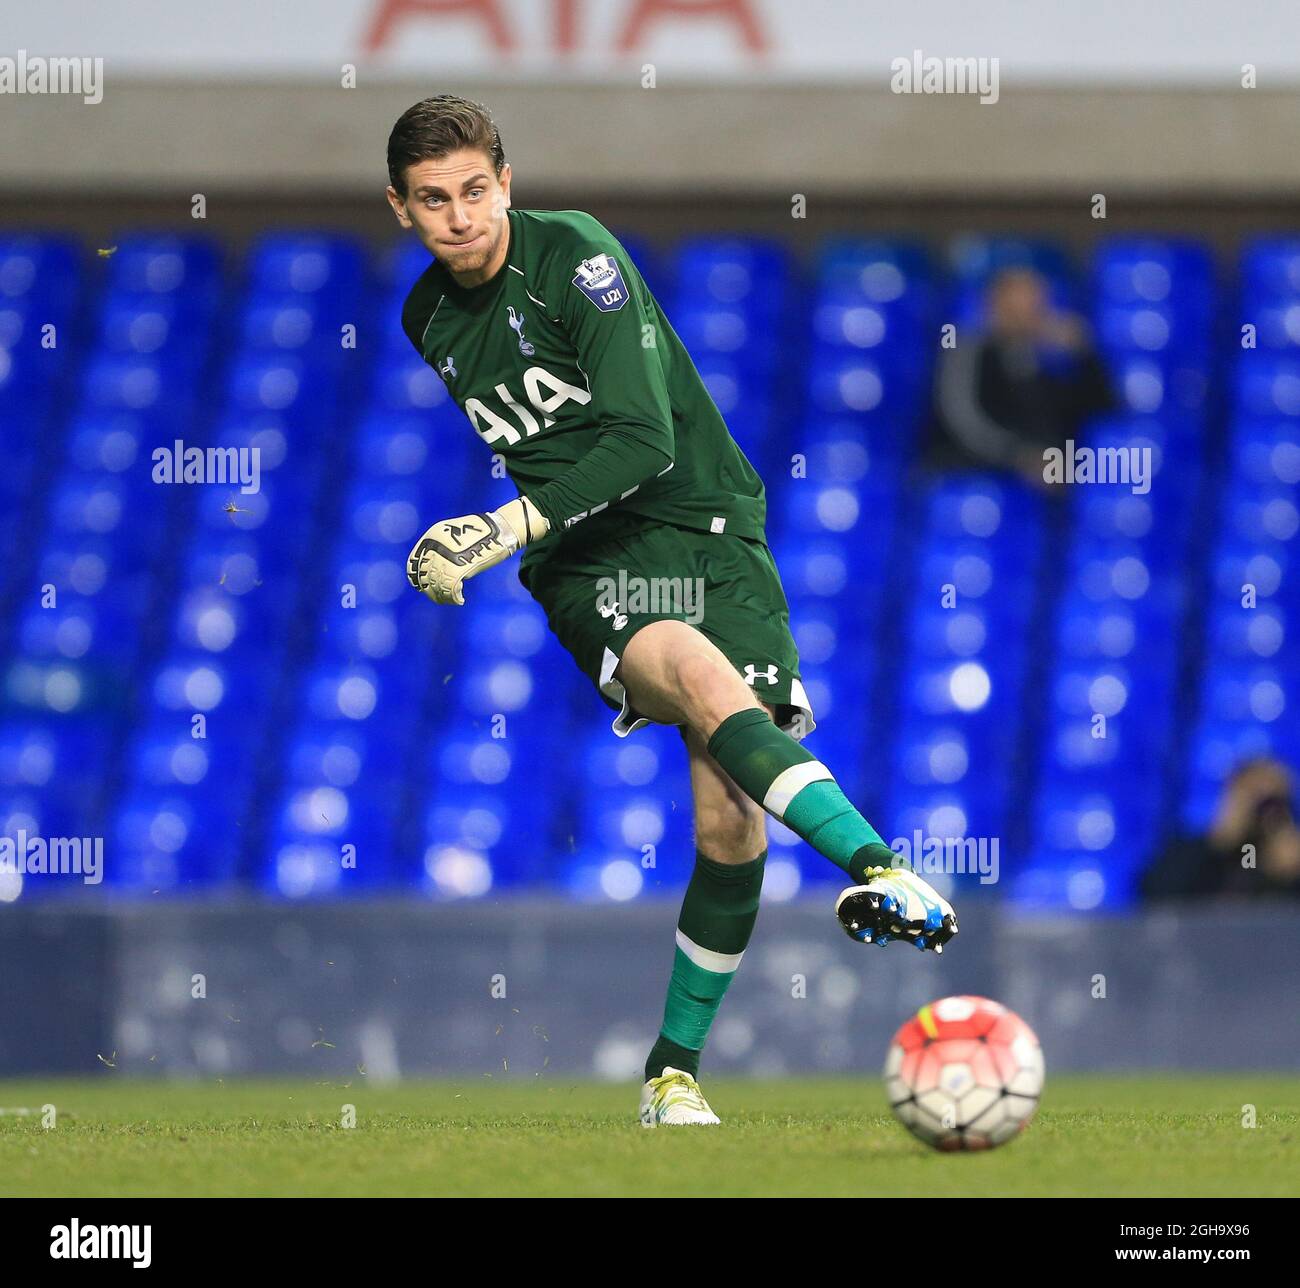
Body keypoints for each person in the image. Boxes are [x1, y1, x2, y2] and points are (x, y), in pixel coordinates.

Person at [386, 94, 957, 1127]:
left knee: (729, 820)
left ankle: (668, 1075)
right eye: (434, 199)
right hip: (589, 559)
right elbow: (553, 452)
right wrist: (515, 532)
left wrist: (498, 525)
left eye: (475, 190)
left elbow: (644, 439)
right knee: (695, 671)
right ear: (401, 208)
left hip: (701, 524)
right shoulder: (425, 318)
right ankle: (884, 868)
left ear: (506, 184)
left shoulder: (578, 258)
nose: (459, 216)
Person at [929, 266, 1113, 488]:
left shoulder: (1047, 360)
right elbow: (964, 421)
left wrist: (1085, 356)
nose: (1030, 309)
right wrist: (1019, 455)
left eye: (1036, 302)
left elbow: (1100, 408)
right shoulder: (966, 351)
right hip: (977, 471)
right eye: (1020, 302)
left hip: (1046, 475)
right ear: (996, 303)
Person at [1142, 757, 1300, 899]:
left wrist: (1290, 875)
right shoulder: (1193, 853)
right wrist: (1217, 842)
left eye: (1272, 802)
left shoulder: (1288, 860)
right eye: (1250, 796)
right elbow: (1155, 896)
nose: (1260, 811)